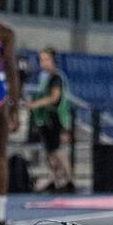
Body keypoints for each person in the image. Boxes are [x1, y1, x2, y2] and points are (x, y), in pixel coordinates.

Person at [27, 48, 73, 193]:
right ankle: (55, 179)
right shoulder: (45, 78)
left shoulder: (56, 77)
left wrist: (35, 104)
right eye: (41, 59)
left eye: (46, 59)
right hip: (46, 118)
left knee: (57, 151)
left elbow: (54, 98)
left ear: (53, 60)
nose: (42, 62)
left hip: (56, 117)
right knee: (49, 151)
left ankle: (68, 180)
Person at [0, 2, 21, 225]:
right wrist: (14, 108)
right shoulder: (4, 33)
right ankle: (0, 215)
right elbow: (12, 71)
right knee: (0, 156)